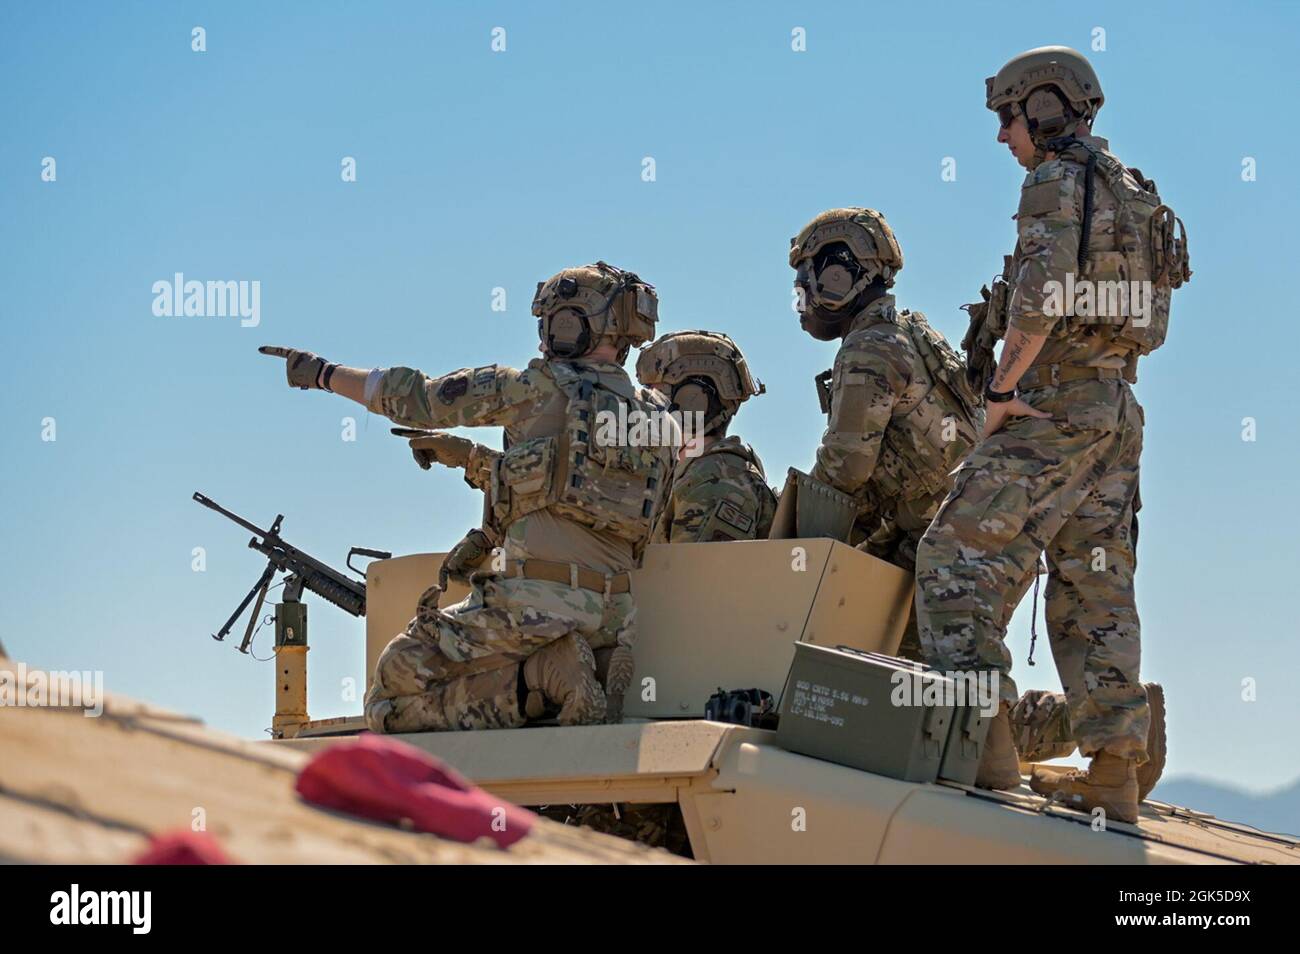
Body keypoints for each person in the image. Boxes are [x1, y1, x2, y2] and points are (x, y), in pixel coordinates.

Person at [915, 47, 1190, 819]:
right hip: (1117, 409)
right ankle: (1112, 775)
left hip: (1057, 404)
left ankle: (986, 750)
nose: (1004, 136)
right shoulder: (1136, 193)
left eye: (1009, 117)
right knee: (1092, 586)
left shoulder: (1056, 180)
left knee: (953, 555)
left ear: (1043, 107)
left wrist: (1000, 391)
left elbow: (1038, 300)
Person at [260, 261, 676, 731]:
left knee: (391, 686)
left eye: (550, 322)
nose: (542, 337)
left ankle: (545, 677)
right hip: (614, 616)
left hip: (532, 607)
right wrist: (472, 459)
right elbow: (567, 491)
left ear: (570, 325)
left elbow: (418, 399)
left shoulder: (530, 389)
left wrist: (322, 373)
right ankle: (558, 676)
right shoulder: (661, 422)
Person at [789, 207, 982, 660]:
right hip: (952, 530)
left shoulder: (870, 349)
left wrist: (786, 546)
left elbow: (845, 469)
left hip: (952, 545)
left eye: (804, 287)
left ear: (836, 276)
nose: (801, 305)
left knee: (928, 682)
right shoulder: (906, 331)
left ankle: (1055, 726)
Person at [636, 331, 776, 543]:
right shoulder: (696, 473)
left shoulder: (716, 483)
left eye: (654, 392)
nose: (646, 404)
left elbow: (695, 575)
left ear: (691, 402)